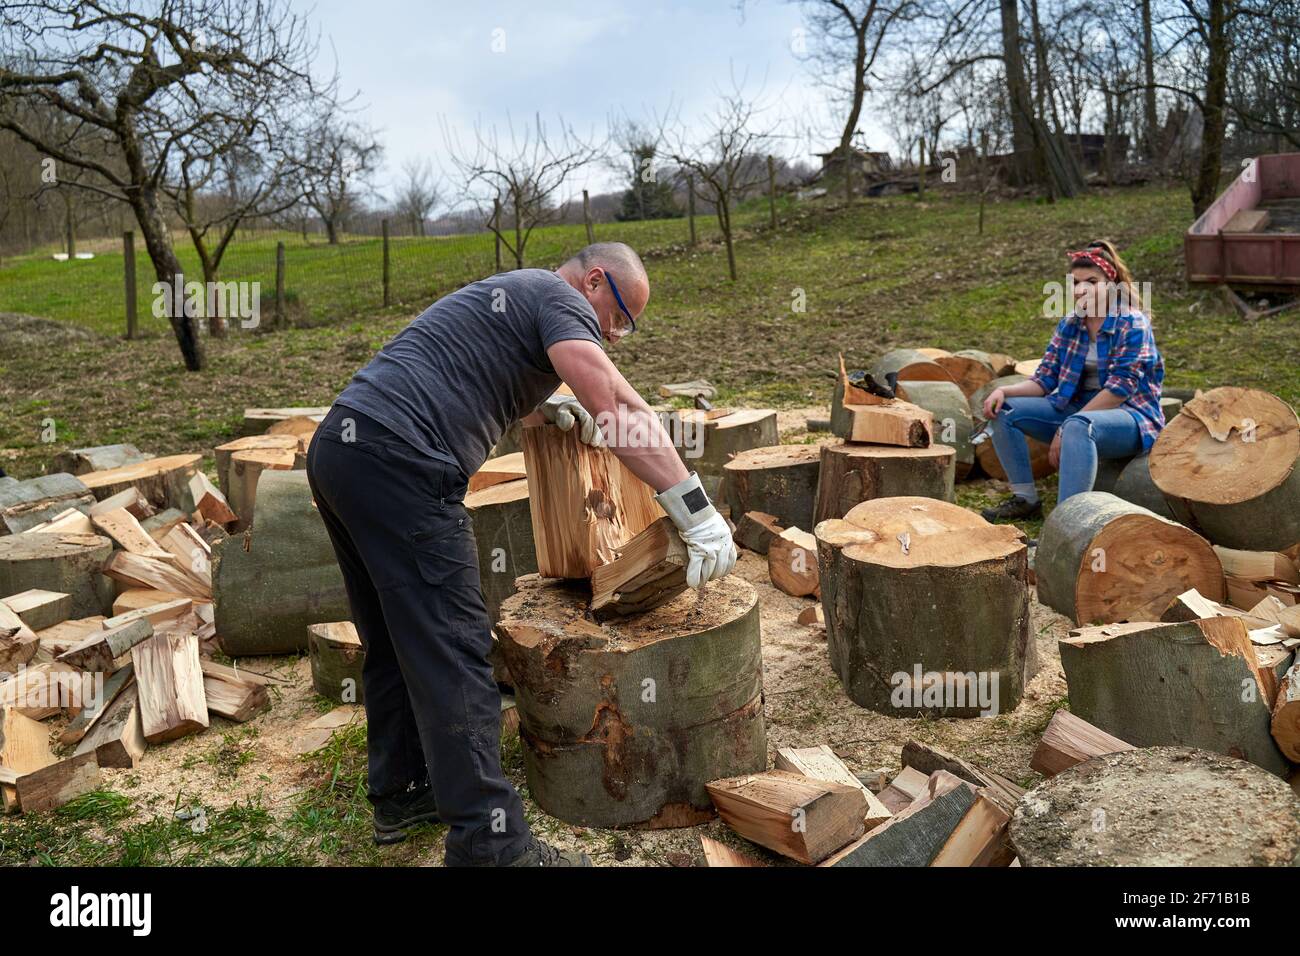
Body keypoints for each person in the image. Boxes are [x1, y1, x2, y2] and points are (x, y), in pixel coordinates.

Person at [304, 242, 737, 866]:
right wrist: (693, 507)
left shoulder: (515, 291)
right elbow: (617, 403)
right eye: (619, 318)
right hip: (404, 465)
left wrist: (546, 405)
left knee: (398, 639)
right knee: (455, 652)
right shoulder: (560, 299)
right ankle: (492, 846)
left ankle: (404, 791)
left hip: (344, 450)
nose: (614, 336)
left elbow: (469, 365)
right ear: (594, 281)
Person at [980, 240, 1165, 521]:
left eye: (1092, 281)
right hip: (1076, 409)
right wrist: (1004, 390)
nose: (1082, 290)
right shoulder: (1071, 323)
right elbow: (1045, 379)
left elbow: (1120, 389)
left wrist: (1069, 425)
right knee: (1005, 411)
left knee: (1079, 426)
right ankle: (1025, 499)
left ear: (1111, 283)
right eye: (1076, 282)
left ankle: (1065, 521)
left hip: (1130, 417)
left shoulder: (1132, 322)